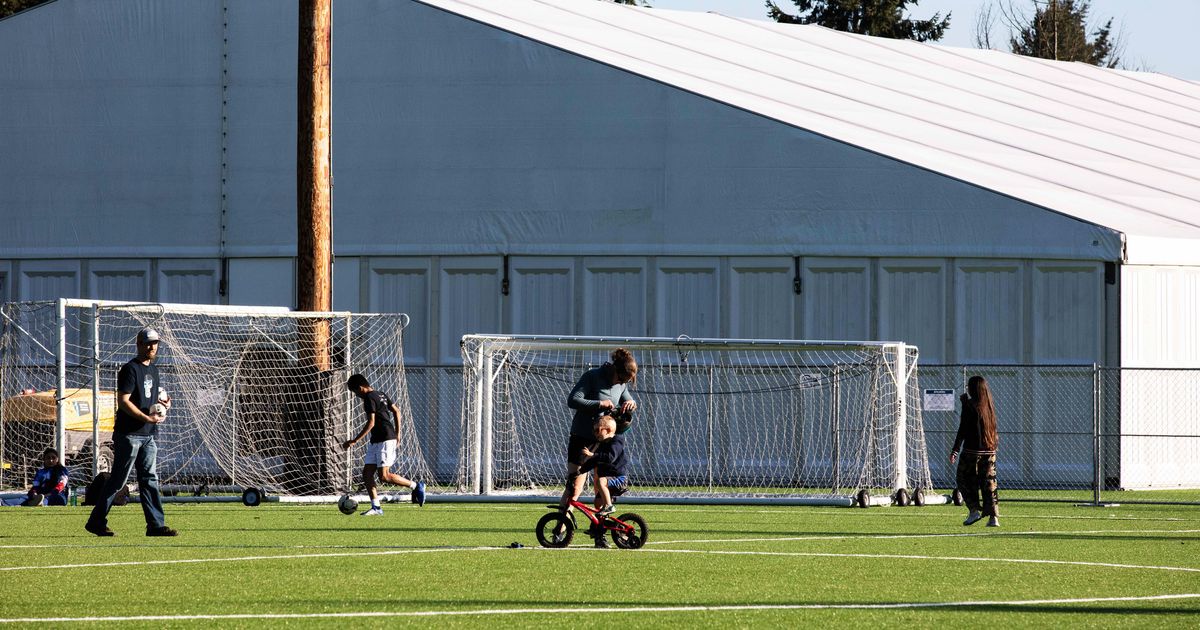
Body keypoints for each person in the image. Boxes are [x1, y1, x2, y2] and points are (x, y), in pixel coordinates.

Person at [85, 327, 177, 536]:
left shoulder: (154, 370)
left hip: (148, 435)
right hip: (128, 435)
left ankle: (155, 525)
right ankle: (96, 521)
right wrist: (146, 417)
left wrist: (163, 405)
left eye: (155, 343)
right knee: (118, 480)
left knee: (149, 480)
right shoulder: (130, 369)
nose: (151, 347)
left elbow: (151, 401)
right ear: (139, 344)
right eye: (147, 343)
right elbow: (124, 401)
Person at [562, 348, 637, 512]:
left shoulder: (621, 384)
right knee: (574, 487)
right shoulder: (592, 376)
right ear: (614, 370)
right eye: (621, 379)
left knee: (601, 487)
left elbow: (628, 399)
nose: (621, 383)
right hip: (582, 438)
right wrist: (599, 404)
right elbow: (573, 400)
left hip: (604, 442)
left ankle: (599, 533)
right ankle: (559, 530)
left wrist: (631, 403)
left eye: (626, 382)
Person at [343, 374, 425, 515]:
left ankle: (416, 485)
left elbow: (371, 422)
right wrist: (398, 433)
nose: (356, 395)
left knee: (384, 476)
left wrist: (355, 440)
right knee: (367, 474)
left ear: (361, 388)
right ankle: (376, 507)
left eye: (355, 392)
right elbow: (397, 411)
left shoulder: (369, 398)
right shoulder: (381, 394)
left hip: (385, 439)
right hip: (378, 439)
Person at [950, 375, 1000, 527]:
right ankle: (993, 517)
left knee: (964, 480)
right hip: (990, 451)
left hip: (972, 452)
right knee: (989, 484)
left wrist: (955, 450)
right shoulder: (989, 405)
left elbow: (963, 428)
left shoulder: (970, 405)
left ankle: (974, 511)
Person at [578, 415, 630, 549]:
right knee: (597, 503)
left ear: (606, 430)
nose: (595, 434)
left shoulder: (617, 441)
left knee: (601, 481)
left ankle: (609, 506)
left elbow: (610, 458)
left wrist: (592, 455)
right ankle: (599, 530)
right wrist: (580, 471)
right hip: (609, 481)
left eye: (597, 430)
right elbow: (594, 461)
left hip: (619, 479)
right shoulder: (602, 444)